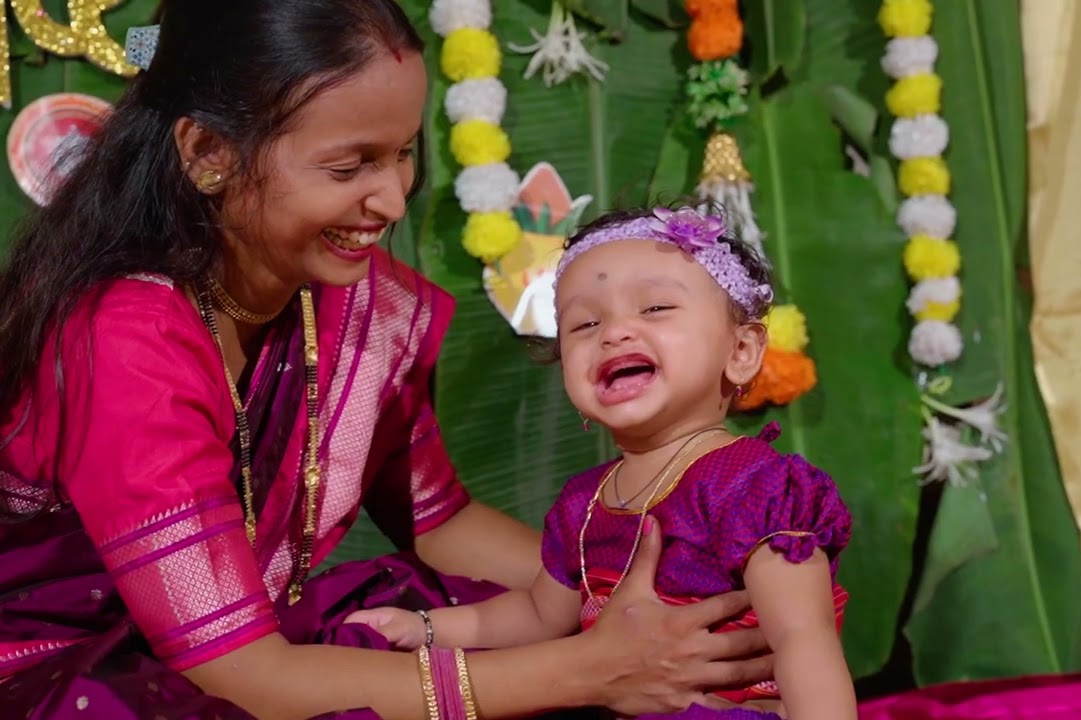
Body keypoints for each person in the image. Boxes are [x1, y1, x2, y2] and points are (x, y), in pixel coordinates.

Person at [0, 3, 772, 718]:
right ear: (208, 154)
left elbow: (441, 523)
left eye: (402, 154)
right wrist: (596, 667)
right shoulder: (123, 338)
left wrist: (646, 578)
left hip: (244, 646)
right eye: (349, 168)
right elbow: (247, 674)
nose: (394, 200)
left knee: (441, 612)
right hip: (74, 679)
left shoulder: (346, 300)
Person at [345, 206, 859, 720]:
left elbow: (802, 637)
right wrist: (429, 629)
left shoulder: (756, 486)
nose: (614, 333)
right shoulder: (584, 502)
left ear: (742, 350)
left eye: (655, 308)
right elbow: (538, 614)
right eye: (585, 323)